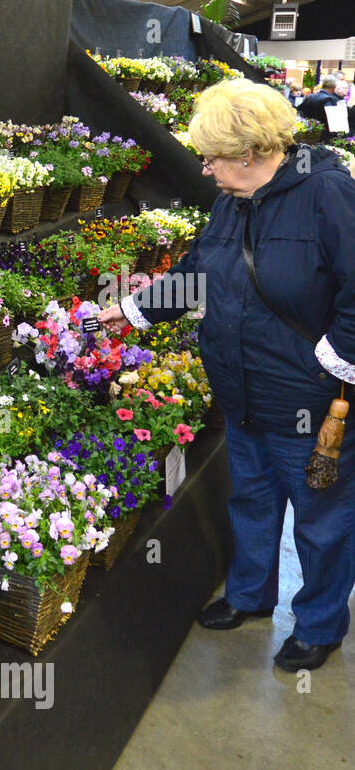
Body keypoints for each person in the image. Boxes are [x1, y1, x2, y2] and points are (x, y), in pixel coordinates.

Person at [99, 79, 355, 671]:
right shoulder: (230, 200)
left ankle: (319, 625)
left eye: (213, 158)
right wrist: (132, 308)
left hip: (310, 404)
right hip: (241, 394)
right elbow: (198, 271)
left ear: (251, 153)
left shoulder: (328, 197)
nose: (207, 170)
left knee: (322, 523)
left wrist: (332, 359)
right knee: (253, 501)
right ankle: (249, 596)